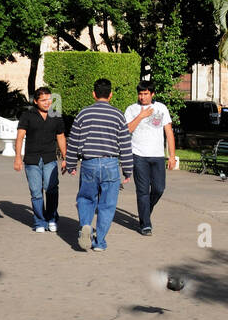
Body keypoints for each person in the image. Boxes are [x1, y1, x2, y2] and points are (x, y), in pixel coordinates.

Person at [64, 78, 132, 252]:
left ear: (93, 94)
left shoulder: (83, 114)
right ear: (110, 95)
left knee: (86, 199)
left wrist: (71, 164)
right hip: (110, 164)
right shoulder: (118, 115)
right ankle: (99, 241)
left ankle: (85, 226)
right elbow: (125, 144)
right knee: (108, 204)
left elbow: (73, 141)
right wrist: (127, 171)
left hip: (89, 163)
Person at [124, 81, 175, 236]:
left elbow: (169, 132)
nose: (142, 97)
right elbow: (127, 130)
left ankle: (145, 211)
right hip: (138, 155)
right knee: (142, 191)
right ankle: (145, 224)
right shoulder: (132, 109)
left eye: (146, 94)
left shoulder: (161, 108)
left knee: (159, 189)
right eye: (140, 94)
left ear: (152, 94)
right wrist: (141, 116)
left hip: (158, 155)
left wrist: (171, 156)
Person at [14, 85, 67, 233]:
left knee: (51, 189)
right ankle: (39, 221)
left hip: (50, 158)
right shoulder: (27, 116)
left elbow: (61, 137)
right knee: (36, 192)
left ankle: (51, 218)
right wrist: (18, 157)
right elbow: (19, 137)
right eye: (43, 100)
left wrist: (65, 157)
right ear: (36, 101)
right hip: (32, 159)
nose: (47, 102)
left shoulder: (56, 115)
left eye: (49, 99)